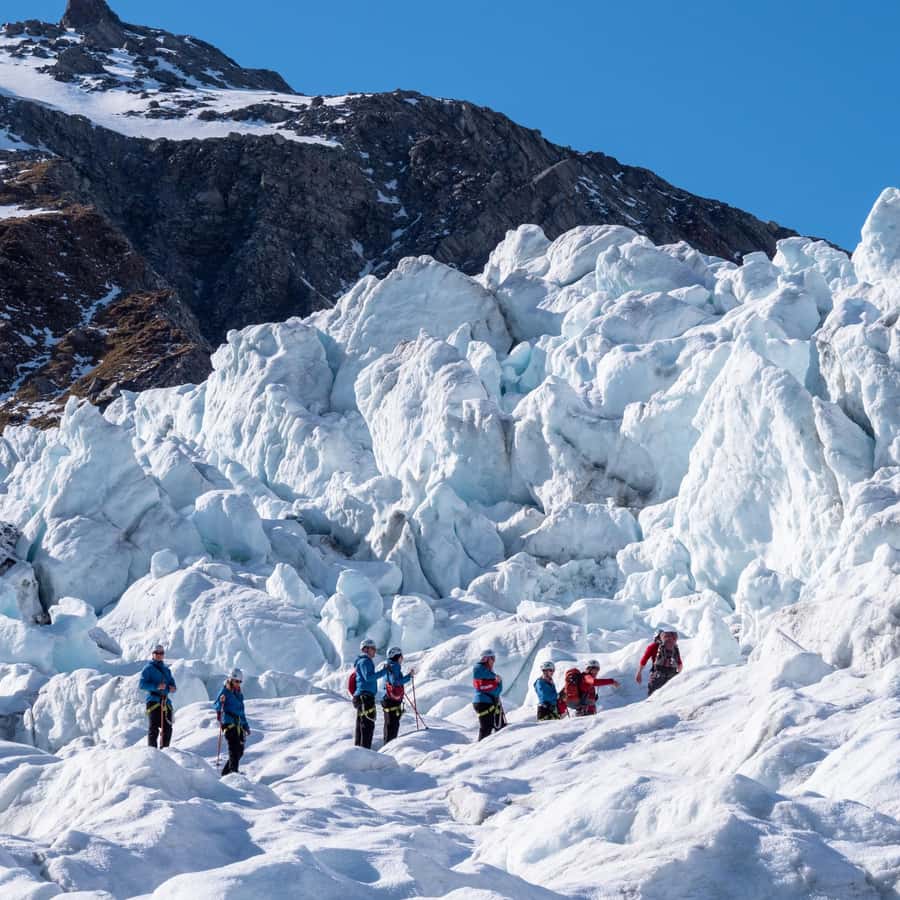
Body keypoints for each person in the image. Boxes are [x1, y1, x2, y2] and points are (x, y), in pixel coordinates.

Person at [139, 643, 176, 748]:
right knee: (153, 728)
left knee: (167, 728)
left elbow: (172, 684)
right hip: (153, 701)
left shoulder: (167, 670)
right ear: (153, 654)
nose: (159, 655)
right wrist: (156, 686)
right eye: (157, 653)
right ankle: (152, 752)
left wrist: (171, 688)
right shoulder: (148, 669)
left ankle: (165, 750)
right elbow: (142, 684)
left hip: (165, 702)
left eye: (161, 653)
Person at [353, 638, 387, 749]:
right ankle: (365, 751)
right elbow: (369, 677)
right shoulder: (365, 661)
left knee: (361, 725)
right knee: (367, 725)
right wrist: (384, 671)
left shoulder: (362, 661)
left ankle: (359, 750)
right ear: (366, 649)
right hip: (365, 697)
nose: (375, 651)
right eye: (373, 648)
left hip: (362, 697)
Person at [215, 668, 250, 776]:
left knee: (239, 751)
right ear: (231, 679)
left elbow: (241, 712)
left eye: (239, 682)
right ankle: (233, 772)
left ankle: (226, 773)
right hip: (229, 723)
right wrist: (221, 701)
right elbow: (216, 705)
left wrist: (245, 726)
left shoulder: (239, 694)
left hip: (238, 724)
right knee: (234, 748)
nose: (238, 684)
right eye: (236, 681)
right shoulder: (225, 691)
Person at [382, 646, 415, 745]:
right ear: (397, 656)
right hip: (393, 701)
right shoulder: (395, 666)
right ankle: (390, 748)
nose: (402, 658)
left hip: (388, 699)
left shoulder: (388, 666)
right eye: (401, 656)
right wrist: (409, 676)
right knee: (393, 726)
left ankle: (386, 745)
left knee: (388, 726)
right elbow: (395, 682)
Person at [636, 629, 683, 696]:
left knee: (653, 696)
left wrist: (639, 672)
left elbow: (644, 659)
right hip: (672, 675)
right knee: (669, 697)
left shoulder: (653, 646)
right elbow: (680, 664)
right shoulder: (674, 647)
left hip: (658, 675)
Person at [472, 649, 505, 740]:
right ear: (486, 659)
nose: (494, 661)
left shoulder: (488, 673)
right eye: (492, 658)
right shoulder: (479, 668)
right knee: (486, 729)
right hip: (483, 703)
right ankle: (480, 751)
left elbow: (497, 690)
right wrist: (496, 678)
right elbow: (477, 671)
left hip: (490, 703)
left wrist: (498, 681)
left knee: (499, 727)